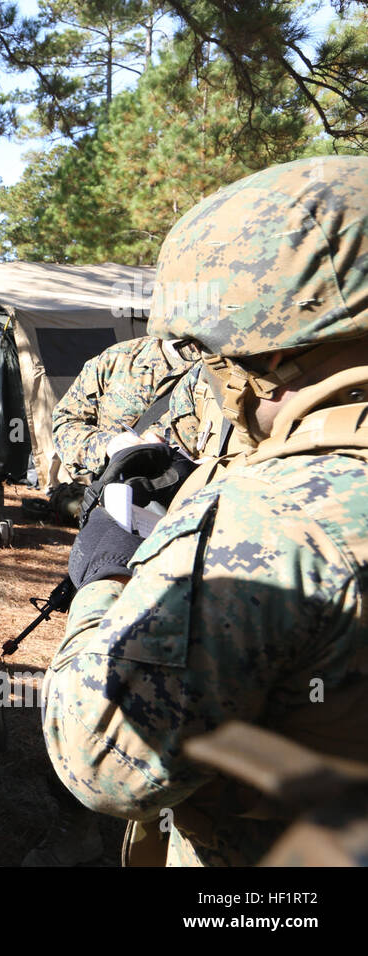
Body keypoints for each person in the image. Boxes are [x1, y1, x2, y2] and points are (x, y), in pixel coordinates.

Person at [42, 155, 368, 866]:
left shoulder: (277, 520)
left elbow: (103, 758)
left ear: (267, 347)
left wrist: (102, 576)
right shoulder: (117, 369)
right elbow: (67, 428)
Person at [52, 335, 198, 482]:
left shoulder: (215, 373)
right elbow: (65, 422)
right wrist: (108, 445)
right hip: (114, 494)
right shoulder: (118, 358)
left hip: (188, 497)